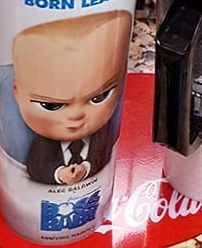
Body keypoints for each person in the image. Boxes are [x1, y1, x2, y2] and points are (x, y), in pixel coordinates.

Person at [10, 10, 133, 185]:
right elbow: (37, 166)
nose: (76, 115)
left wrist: (87, 168)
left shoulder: (104, 135)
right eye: (51, 105)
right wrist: (60, 174)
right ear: (17, 94)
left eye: (99, 97)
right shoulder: (42, 144)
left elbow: (100, 155)